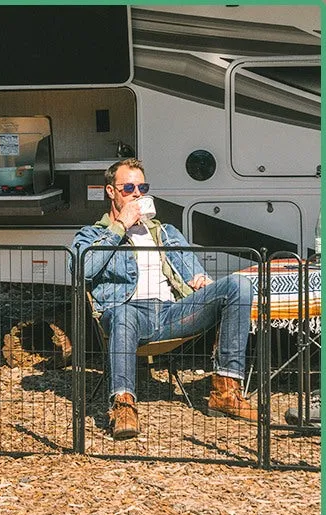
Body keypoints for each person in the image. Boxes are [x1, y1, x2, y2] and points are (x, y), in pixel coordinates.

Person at [74, 158, 256, 440]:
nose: (137, 194)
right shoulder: (94, 234)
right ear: (111, 191)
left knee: (239, 285)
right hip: (128, 314)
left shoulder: (165, 232)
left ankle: (226, 391)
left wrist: (201, 281)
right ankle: (123, 405)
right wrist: (120, 225)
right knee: (123, 314)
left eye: (142, 187)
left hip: (171, 313)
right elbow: (82, 270)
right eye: (129, 188)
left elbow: (194, 271)